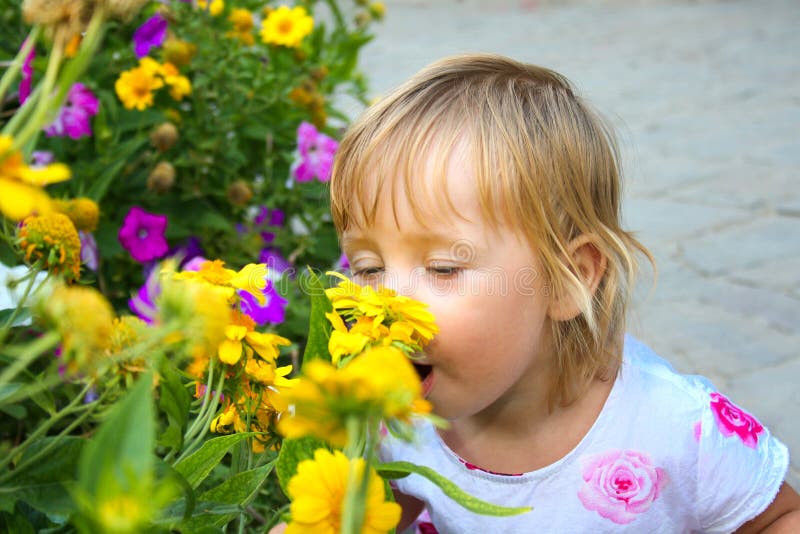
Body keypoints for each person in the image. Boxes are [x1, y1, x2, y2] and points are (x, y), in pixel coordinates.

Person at [326, 53, 800, 532]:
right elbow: (386, 507)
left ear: (567, 279)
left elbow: (780, 517)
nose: (383, 305)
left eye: (443, 268)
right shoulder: (392, 417)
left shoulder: (677, 428)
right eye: (368, 267)